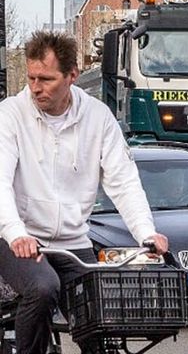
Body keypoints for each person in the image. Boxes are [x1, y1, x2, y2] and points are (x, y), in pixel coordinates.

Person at [0, 31, 169, 354]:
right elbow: (0, 180)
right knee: (43, 288)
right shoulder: (10, 114)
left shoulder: (97, 117)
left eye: (46, 79)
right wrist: (14, 233)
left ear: (72, 76)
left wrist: (146, 233)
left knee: (100, 314)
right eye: (32, 77)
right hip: (18, 240)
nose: (36, 87)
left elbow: (123, 181)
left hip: (74, 242)